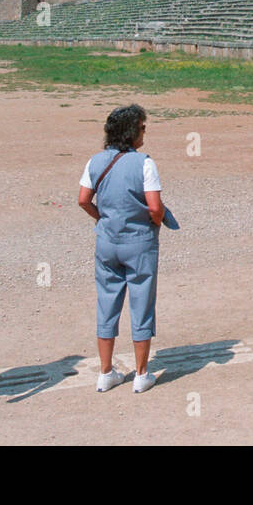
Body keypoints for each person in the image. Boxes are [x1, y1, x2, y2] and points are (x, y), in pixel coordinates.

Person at [77, 104, 170, 393]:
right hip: (139, 242)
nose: (145, 131)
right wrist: (153, 221)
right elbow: (155, 206)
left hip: (107, 241)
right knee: (141, 304)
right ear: (131, 131)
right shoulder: (144, 163)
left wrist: (103, 218)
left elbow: (83, 199)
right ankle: (141, 374)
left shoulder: (95, 161)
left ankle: (106, 371)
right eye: (142, 127)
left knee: (107, 303)